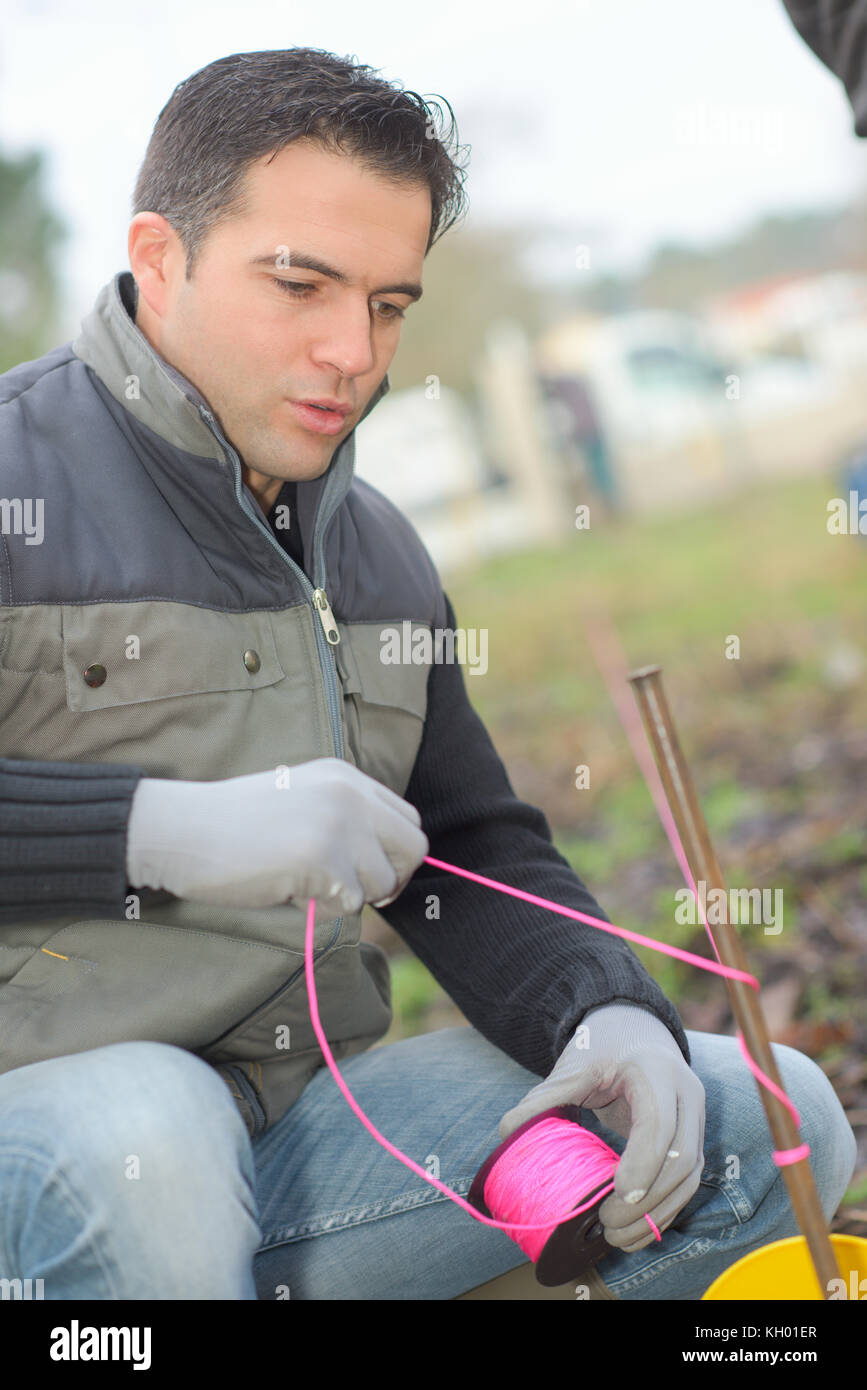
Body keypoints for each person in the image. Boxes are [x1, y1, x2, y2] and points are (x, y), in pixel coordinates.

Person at [0, 47, 855, 1302]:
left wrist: (601, 1011)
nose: (354, 350)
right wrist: (160, 831)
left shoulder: (379, 551)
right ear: (161, 256)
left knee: (768, 1126)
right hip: (59, 1156)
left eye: (390, 304)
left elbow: (467, 848)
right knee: (149, 1132)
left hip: (292, 1139)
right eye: (302, 284)